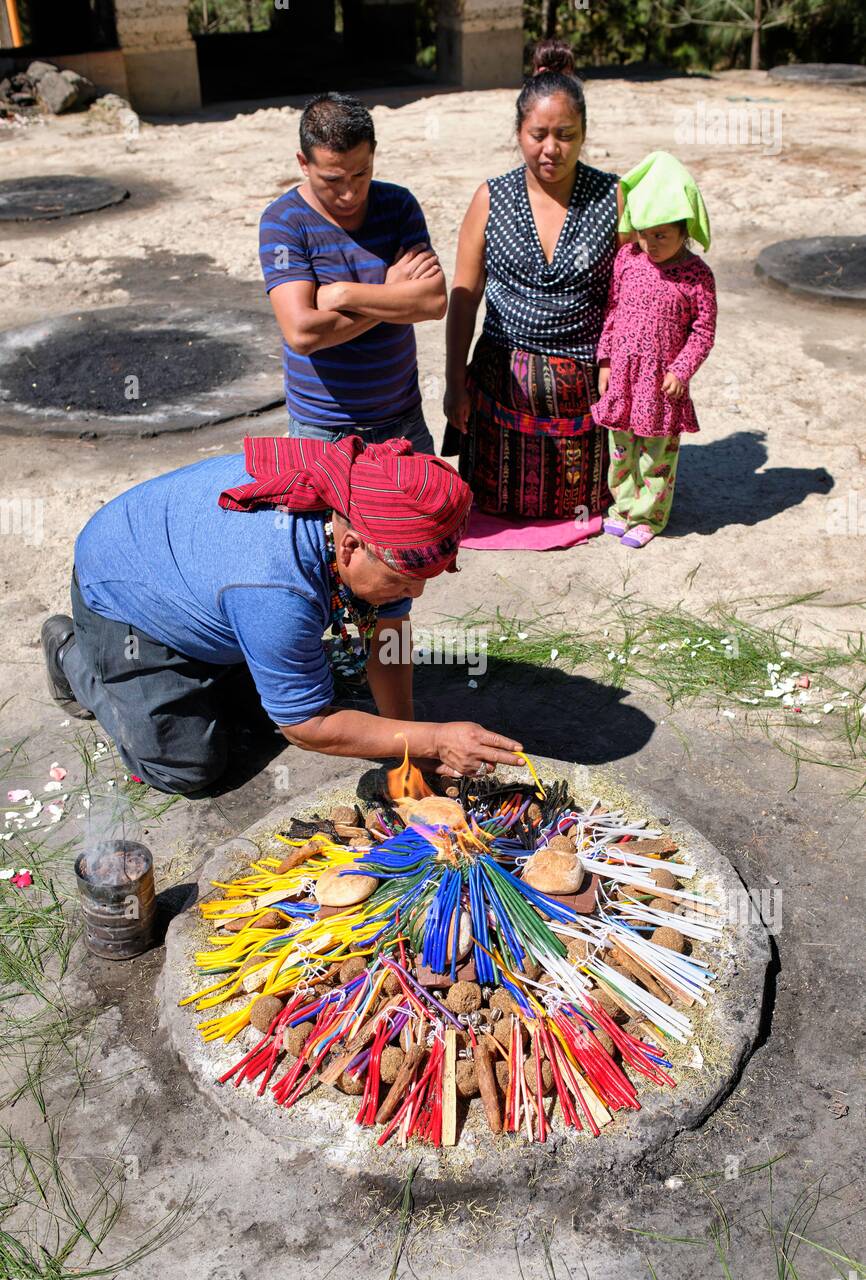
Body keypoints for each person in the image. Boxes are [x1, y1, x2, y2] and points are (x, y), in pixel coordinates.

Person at [40, 436, 525, 796]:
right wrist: (436, 740)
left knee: (303, 702)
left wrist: (408, 748)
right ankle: (73, 656)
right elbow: (306, 726)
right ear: (350, 547)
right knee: (189, 766)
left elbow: (389, 633)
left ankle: (214, 667)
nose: (414, 591)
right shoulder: (276, 583)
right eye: (404, 580)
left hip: (207, 584)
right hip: (125, 598)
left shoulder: (369, 511)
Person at [444, 67, 623, 536]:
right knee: (491, 507)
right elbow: (464, 298)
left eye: (566, 135)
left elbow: (628, 294)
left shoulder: (613, 197)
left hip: (582, 391)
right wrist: (452, 382)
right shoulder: (491, 197)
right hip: (500, 391)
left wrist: (615, 362)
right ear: (518, 133)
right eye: (538, 134)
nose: (551, 149)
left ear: (584, 135)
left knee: (577, 510)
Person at [259, 91, 445, 452]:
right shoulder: (283, 223)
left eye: (362, 173)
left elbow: (434, 302)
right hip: (324, 431)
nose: (349, 193)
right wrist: (392, 294)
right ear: (303, 162)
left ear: (373, 152)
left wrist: (344, 294)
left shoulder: (398, 205)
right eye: (333, 179)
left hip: (404, 422)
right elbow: (302, 333)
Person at [592, 150, 717, 548]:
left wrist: (681, 371)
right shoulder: (627, 259)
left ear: (685, 231)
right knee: (621, 450)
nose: (651, 243)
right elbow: (612, 310)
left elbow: (703, 332)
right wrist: (606, 359)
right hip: (624, 378)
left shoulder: (697, 277)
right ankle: (622, 508)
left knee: (655, 456)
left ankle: (650, 516)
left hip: (661, 385)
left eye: (662, 235)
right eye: (645, 232)